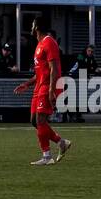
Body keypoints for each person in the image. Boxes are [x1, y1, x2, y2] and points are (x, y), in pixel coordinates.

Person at [14, 19, 71, 165]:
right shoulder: (39, 44)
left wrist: (52, 89)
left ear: (37, 27)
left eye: (33, 24)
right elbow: (39, 72)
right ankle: (61, 142)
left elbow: (54, 69)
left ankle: (47, 157)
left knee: (40, 120)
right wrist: (26, 84)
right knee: (34, 121)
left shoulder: (49, 42)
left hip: (47, 86)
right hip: (39, 86)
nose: (31, 27)